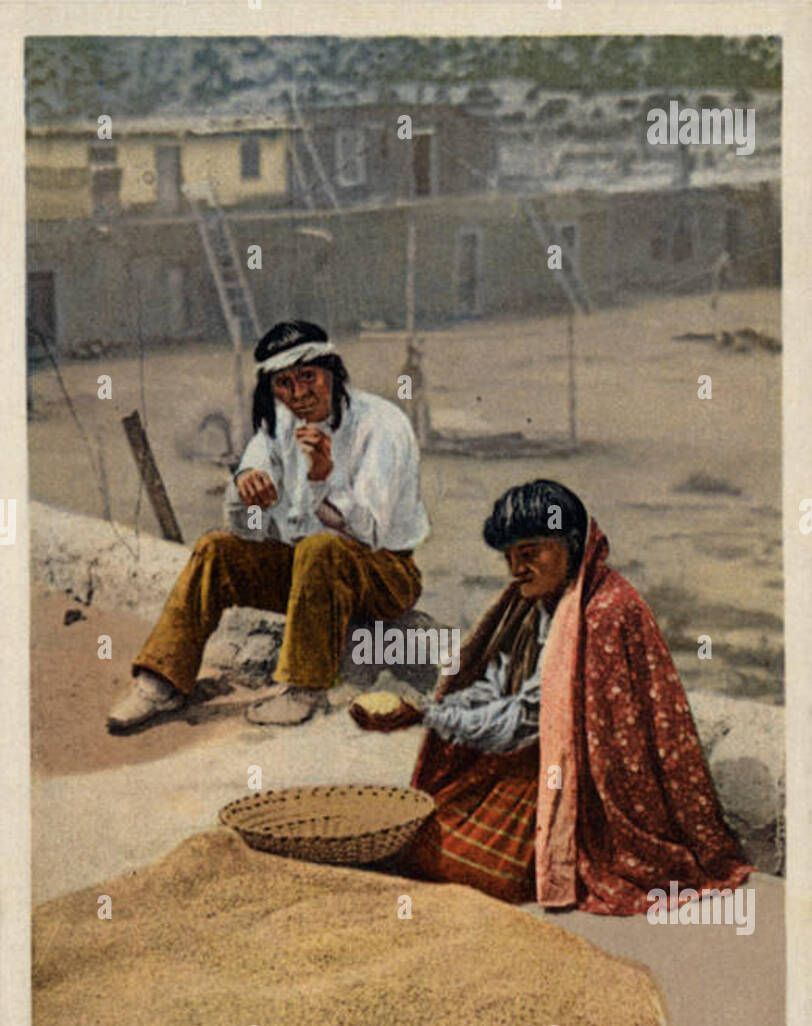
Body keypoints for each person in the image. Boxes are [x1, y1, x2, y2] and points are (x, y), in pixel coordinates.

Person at [351, 478, 753, 915]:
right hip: (539, 755)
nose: (515, 569)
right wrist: (433, 710)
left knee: (468, 861)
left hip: (586, 786)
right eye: (509, 557)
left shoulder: (604, 611)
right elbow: (496, 684)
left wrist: (426, 716)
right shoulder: (539, 600)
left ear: (572, 544)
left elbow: (524, 719)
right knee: (420, 830)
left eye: (530, 554)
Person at [108, 320, 430, 732]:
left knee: (319, 548)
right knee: (215, 549)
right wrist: (246, 487)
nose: (299, 394)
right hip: (311, 577)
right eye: (285, 383)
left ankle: (304, 689)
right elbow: (248, 529)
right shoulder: (279, 425)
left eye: (308, 377)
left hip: (385, 576)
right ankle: (162, 681)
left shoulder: (381, 426)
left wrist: (323, 477)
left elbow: (370, 531)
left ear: (332, 372)